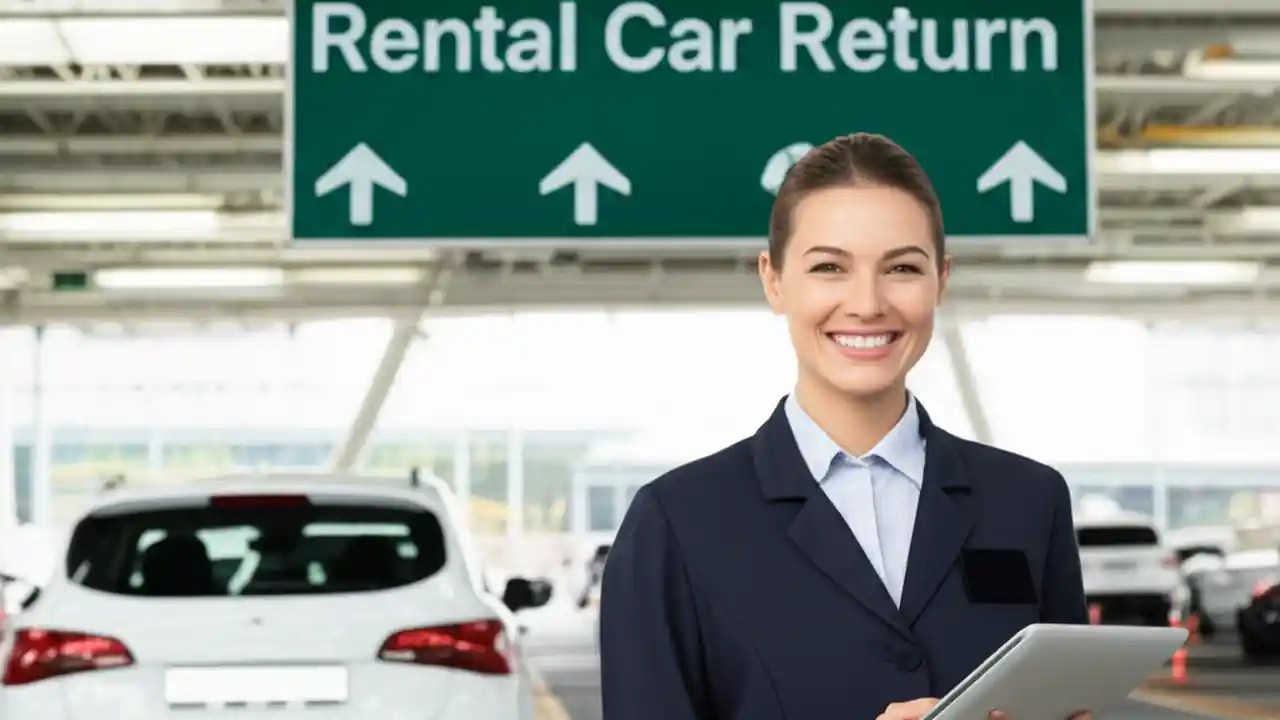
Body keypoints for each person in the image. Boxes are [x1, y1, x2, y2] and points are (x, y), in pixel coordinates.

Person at [598, 133, 1093, 720]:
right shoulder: (677, 524)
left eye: (903, 268)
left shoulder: (1029, 502)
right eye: (829, 267)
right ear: (774, 280)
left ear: (941, 279)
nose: (867, 303)